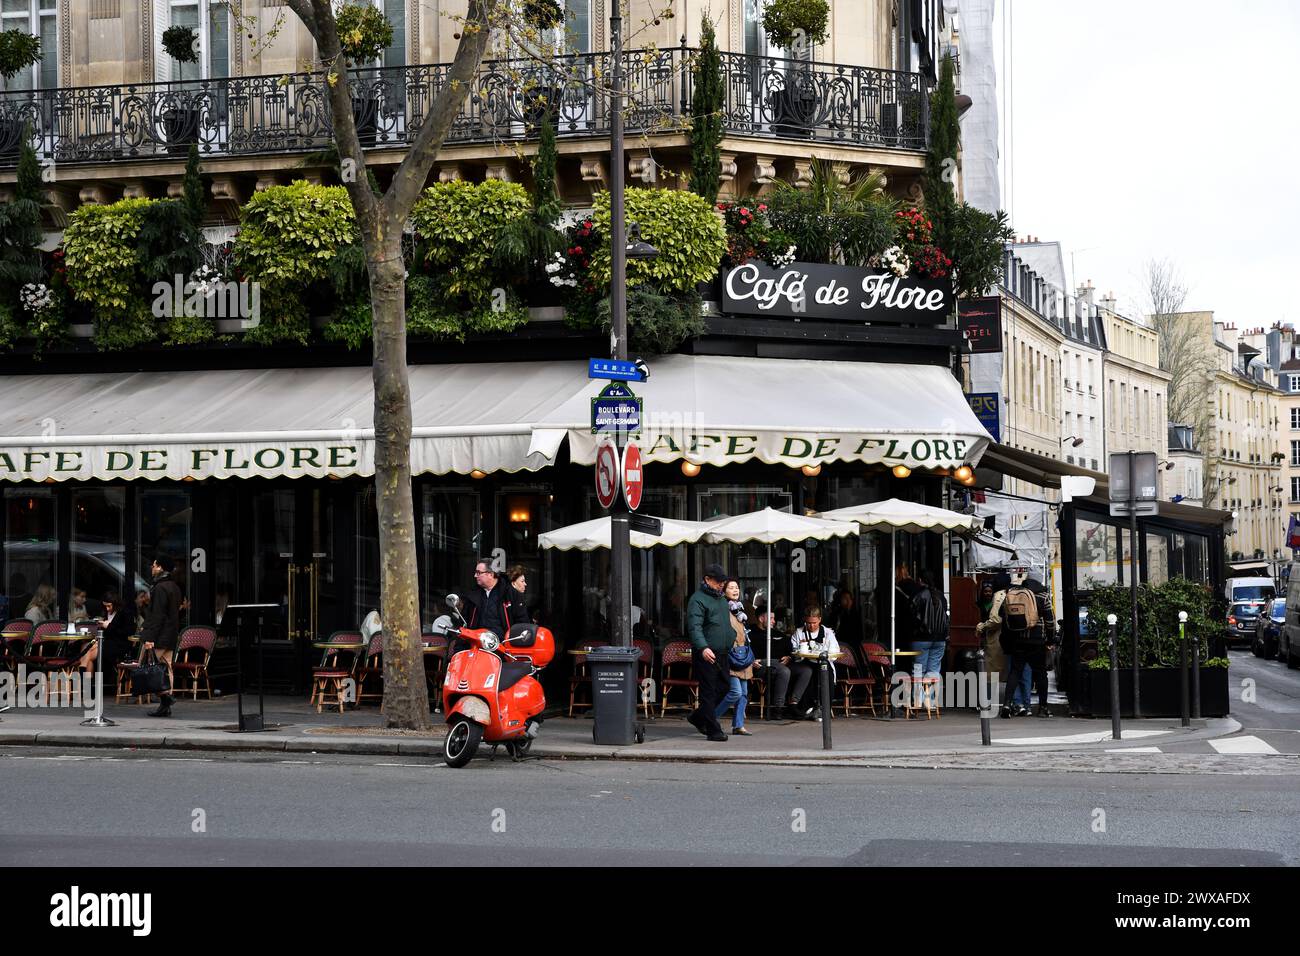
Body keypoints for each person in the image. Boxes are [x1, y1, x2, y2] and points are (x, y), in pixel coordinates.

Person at [979, 574, 1055, 718]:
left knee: (1015, 672)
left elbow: (1003, 616)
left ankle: (1007, 705)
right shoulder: (1043, 596)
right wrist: (1050, 640)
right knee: (1040, 674)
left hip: (1017, 641)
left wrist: (1008, 640)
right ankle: (1043, 707)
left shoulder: (1012, 593)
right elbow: (1050, 621)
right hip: (1037, 640)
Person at [685, 563, 734, 742]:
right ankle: (713, 730)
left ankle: (698, 717)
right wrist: (703, 647)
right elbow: (694, 627)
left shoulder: (721, 599)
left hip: (722, 651)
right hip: (706, 652)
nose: (722, 584)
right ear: (707, 579)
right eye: (718, 581)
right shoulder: (698, 599)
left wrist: (731, 636)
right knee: (708, 692)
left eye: (723, 581)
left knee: (725, 687)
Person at [140, 555, 183, 718]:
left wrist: (149, 637)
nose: (152, 567)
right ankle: (166, 705)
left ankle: (166, 698)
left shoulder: (159, 588)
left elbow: (157, 615)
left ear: (160, 568)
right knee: (166, 668)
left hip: (159, 636)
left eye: (154, 565)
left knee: (149, 668)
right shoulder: (174, 587)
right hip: (171, 635)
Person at [714, 579, 754, 736]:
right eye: (731, 587)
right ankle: (711, 717)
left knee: (743, 693)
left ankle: (738, 725)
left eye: (737, 587)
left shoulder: (740, 610)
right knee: (736, 692)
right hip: (730, 655)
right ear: (724, 591)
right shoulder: (723, 608)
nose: (735, 590)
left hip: (743, 655)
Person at [785, 605, 840, 720]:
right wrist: (801, 647)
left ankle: (824, 707)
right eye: (809, 623)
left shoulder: (828, 633)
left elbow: (835, 651)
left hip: (822, 662)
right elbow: (794, 650)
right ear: (805, 620)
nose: (811, 625)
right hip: (805, 662)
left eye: (814, 623)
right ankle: (806, 708)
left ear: (820, 619)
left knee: (826, 672)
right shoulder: (799, 633)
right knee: (807, 672)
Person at [910, 569, 950, 705]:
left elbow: (913, 617)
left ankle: (918, 701)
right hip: (939, 639)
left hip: (921, 638)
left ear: (920, 580)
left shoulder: (919, 596)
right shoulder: (941, 596)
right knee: (933, 671)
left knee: (918, 670)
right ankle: (931, 702)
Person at [750, 606, 793, 721]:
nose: (774, 621)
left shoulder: (777, 634)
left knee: (805, 670)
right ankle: (778, 708)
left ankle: (795, 704)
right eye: (771, 618)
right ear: (761, 618)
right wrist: (750, 660)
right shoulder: (750, 634)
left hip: (780, 663)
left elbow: (790, 649)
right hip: (759, 667)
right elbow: (742, 650)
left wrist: (789, 657)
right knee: (784, 671)